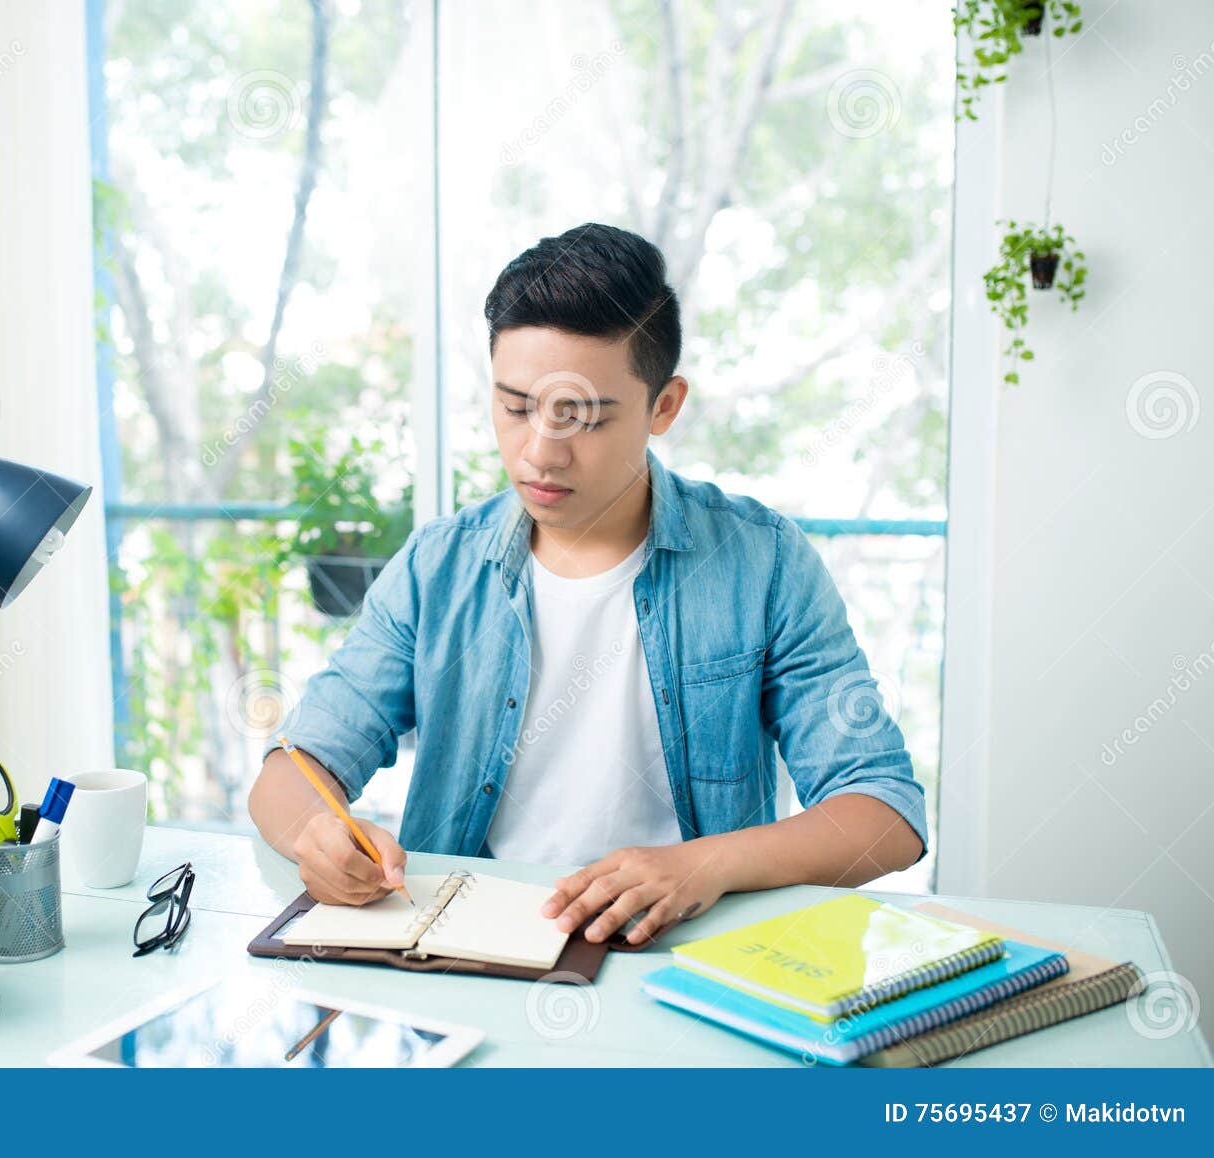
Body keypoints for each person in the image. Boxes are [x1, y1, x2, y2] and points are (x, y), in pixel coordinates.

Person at [248, 222, 926, 947]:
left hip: (687, 958)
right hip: (470, 954)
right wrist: (317, 835)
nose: (540, 452)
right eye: (515, 408)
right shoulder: (436, 567)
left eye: (584, 418)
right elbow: (290, 770)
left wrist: (704, 866)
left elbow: (885, 813)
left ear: (664, 407)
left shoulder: (761, 562)